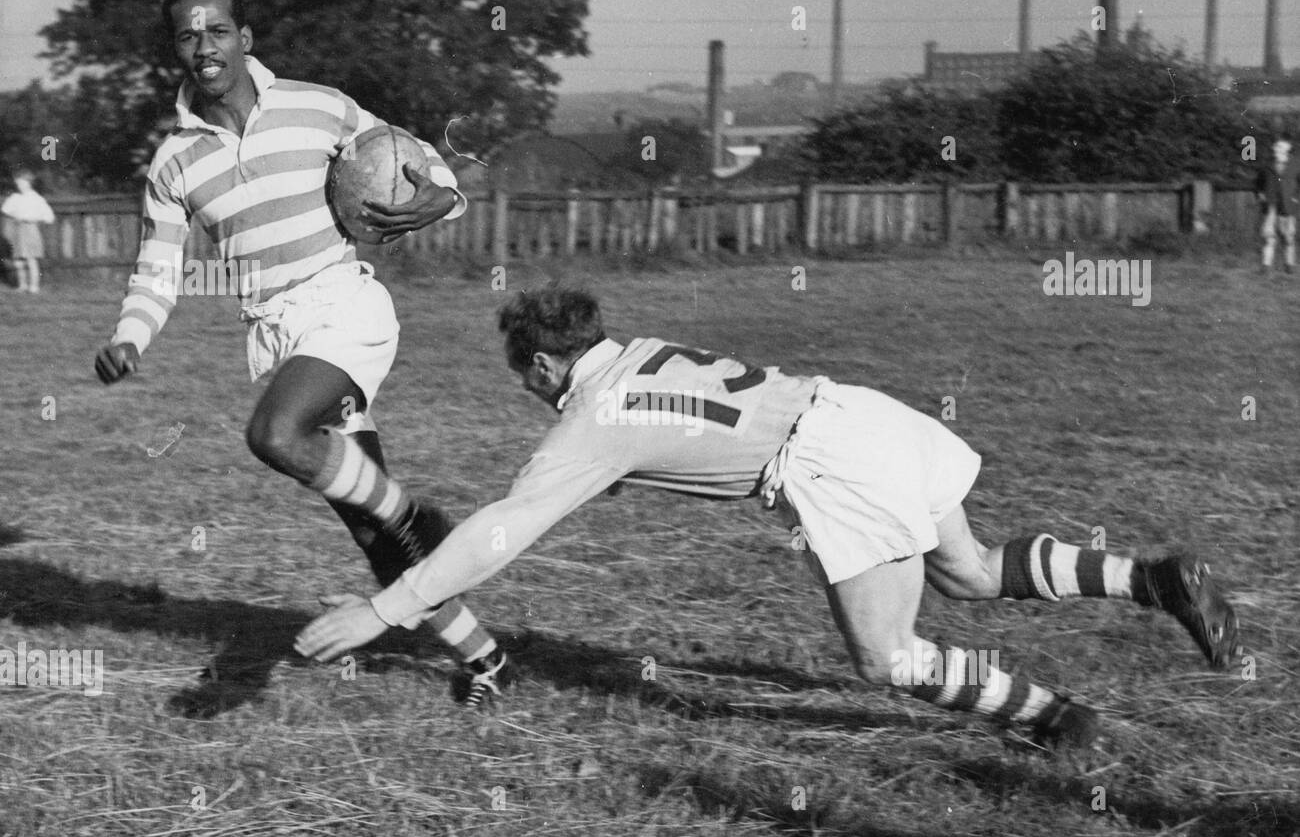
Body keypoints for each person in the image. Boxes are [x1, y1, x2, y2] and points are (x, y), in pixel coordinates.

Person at [295, 287, 1243, 743]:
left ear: (544, 369)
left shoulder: (585, 418)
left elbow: (502, 529)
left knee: (885, 658)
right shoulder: (640, 352)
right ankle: (1151, 578)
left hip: (827, 464)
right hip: (863, 411)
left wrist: (386, 608)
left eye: (528, 383)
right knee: (975, 572)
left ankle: (1053, 720)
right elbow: (672, 429)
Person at [94, 0, 502, 704]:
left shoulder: (318, 105)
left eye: (217, 30)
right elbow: (156, 272)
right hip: (279, 336)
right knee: (376, 538)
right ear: (175, 51)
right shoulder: (173, 163)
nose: (204, 46)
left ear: (245, 39)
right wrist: (130, 339)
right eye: (188, 36)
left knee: (276, 434)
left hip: (345, 306)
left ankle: (410, 511)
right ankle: (485, 660)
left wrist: (446, 195)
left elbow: (414, 162)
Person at [1, 169, 56, 293]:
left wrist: (32, 218)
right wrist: (16, 214)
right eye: (17, 183)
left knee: (31, 259)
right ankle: (23, 285)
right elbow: (5, 210)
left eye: (21, 182)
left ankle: (34, 286)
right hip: (17, 229)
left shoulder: (37, 199)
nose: (18, 185)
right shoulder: (16, 198)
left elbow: (49, 217)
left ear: (28, 182)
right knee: (18, 259)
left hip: (30, 229)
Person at [1255, 136, 1297, 274]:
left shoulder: (1296, 164)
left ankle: (1289, 266)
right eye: (1276, 147)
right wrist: (1260, 195)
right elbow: (1258, 183)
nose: (1278, 149)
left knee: (1288, 237)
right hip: (1270, 207)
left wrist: (1297, 198)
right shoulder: (1266, 166)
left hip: (1288, 207)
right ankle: (1265, 267)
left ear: (1288, 148)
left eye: (1281, 147)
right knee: (1269, 237)